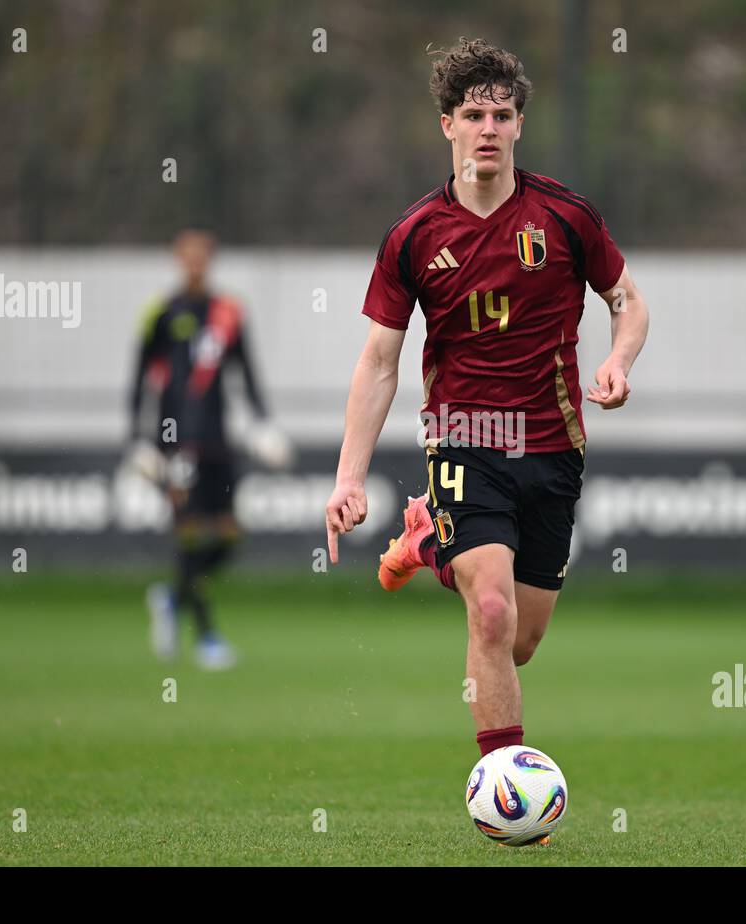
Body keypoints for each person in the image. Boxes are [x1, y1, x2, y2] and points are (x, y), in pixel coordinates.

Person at [324, 38, 649, 756]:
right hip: (464, 440)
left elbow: (628, 302)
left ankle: (427, 541)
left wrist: (620, 362)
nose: (489, 129)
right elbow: (381, 361)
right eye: (473, 114)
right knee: (492, 614)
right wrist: (348, 477)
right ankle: (504, 787)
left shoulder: (566, 217)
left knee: (522, 641)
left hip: (553, 446)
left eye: (503, 115)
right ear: (447, 124)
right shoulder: (413, 235)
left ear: (520, 125)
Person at [129, 228, 293, 670]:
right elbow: (140, 379)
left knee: (227, 537)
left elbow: (248, 374)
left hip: (219, 441)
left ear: (211, 260)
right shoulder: (161, 313)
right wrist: (138, 442)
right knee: (189, 536)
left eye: (202, 257)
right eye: (188, 257)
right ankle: (205, 637)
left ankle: (170, 598)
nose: (195, 264)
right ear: (177, 260)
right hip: (175, 442)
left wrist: (263, 426)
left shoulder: (229, 313)